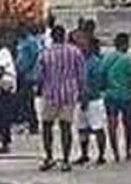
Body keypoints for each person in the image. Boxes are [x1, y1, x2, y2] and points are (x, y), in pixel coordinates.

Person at [36, 25, 85, 172]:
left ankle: (49, 157)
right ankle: (65, 160)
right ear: (64, 36)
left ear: (51, 37)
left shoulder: (45, 53)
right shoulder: (75, 52)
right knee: (66, 127)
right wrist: (81, 92)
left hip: (50, 94)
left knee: (46, 127)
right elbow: (81, 75)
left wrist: (38, 90)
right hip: (69, 94)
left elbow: (39, 76)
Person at [101, 32, 131, 162]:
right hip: (126, 95)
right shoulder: (128, 59)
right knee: (128, 124)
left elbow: (102, 74)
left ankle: (115, 153)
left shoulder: (107, 58)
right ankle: (128, 151)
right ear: (125, 44)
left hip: (110, 95)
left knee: (112, 124)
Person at [74, 37, 107, 165]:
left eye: (84, 45)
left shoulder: (96, 62)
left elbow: (95, 83)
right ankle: (84, 153)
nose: (82, 48)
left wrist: (86, 97)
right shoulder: (79, 61)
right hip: (79, 98)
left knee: (98, 127)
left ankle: (101, 155)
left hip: (93, 100)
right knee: (82, 128)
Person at [14, 24, 41, 135]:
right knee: (22, 101)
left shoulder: (32, 41)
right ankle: (26, 123)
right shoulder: (21, 41)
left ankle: (33, 125)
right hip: (21, 74)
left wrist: (26, 68)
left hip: (29, 75)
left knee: (28, 101)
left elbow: (35, 56)